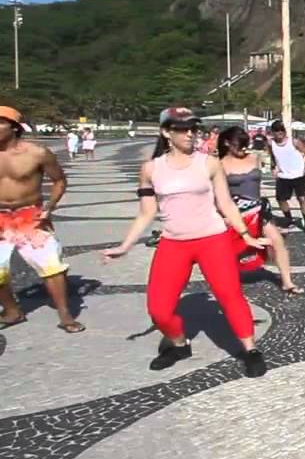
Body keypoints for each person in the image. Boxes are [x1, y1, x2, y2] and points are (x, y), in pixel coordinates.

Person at [102, 107, 268, 376]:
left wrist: (246, 233)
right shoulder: (150, 169)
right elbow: (146, 212)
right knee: (158, 309)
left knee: (230, 295)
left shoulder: (209, 163)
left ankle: (250, 349)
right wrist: (125, 246)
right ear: (166, 132)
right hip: (173, 243)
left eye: (193, 128)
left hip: (212, 239)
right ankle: (179, 344)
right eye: (182, 128)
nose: (190, 133)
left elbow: (225, 203)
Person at [0, 106, 84, 333]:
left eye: (0, 122)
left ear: (14, 127)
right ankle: (12, 311)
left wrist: (49, 207)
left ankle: (65, 315)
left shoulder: (36, 153)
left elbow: (59, 180)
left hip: (30, 216)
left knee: (51, 267)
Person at [216, 127, 301, 296]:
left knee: (277, 241)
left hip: (258, 209)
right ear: (227, 143)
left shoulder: (255, 158)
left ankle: (287, 282)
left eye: (245, 145)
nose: (243, 149)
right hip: (236, 213)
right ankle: (227, 284)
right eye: (239, 146)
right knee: (231, 251)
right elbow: (217, 194)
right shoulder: (219, 165)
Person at [267, 120, 305, 232]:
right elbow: (272, 155)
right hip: (283, 176)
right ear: (273, 132)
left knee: (302, 199)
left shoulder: (294, 142)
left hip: (298, 175)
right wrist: (273, 167)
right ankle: (289, 219)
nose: (280, 132)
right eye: (277, 130)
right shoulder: (270, 143)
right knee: (281, 199)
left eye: (282, 130)